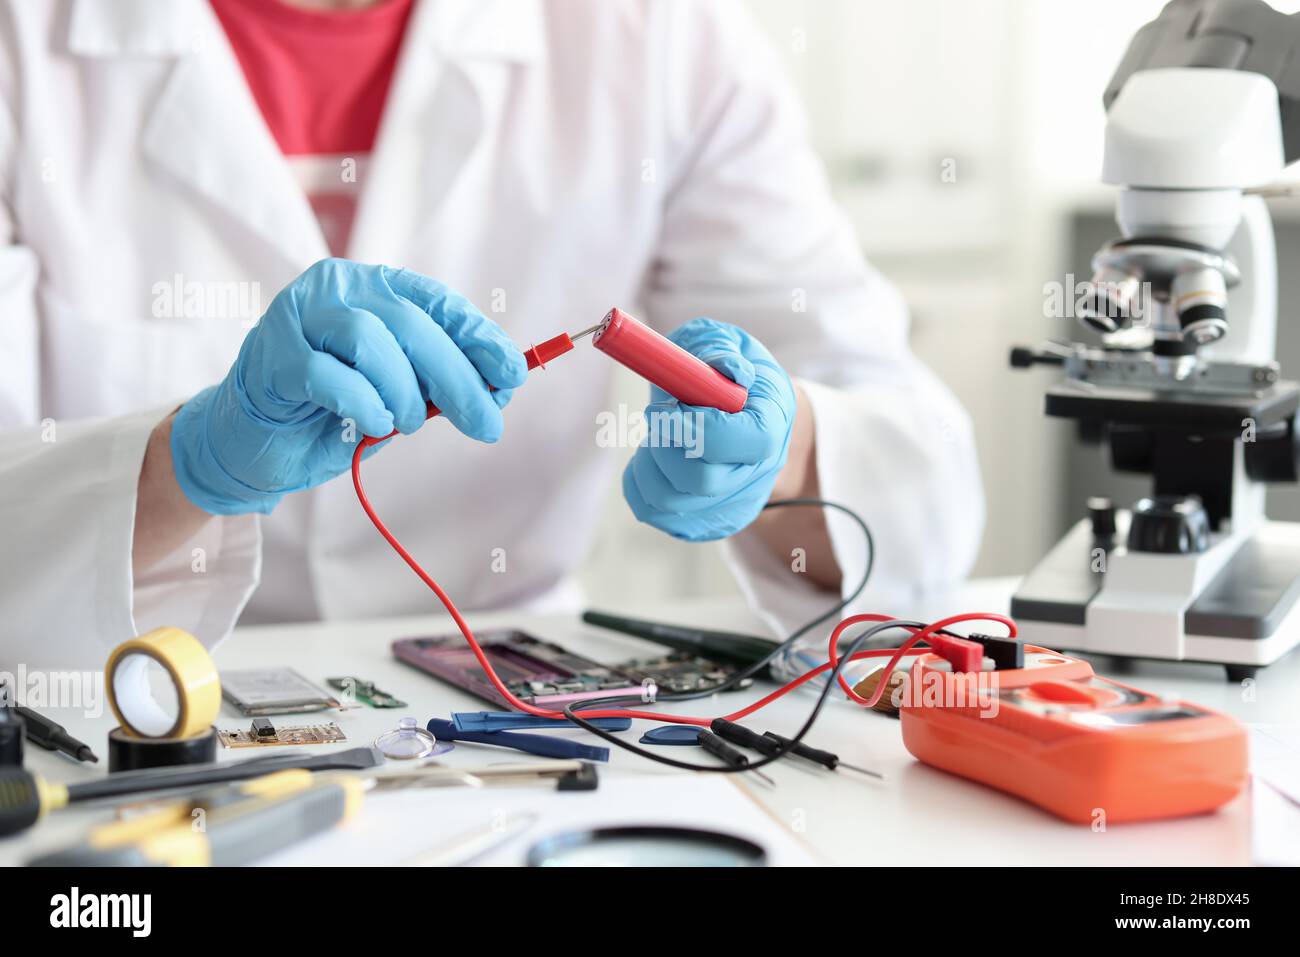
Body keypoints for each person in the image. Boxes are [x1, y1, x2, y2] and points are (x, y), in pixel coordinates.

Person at [0, 0, 983, 669]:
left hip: (515, 726)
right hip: (123, 708)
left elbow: (920, 486)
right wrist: (187, 466)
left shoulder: (653, 33)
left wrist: (789, 453)